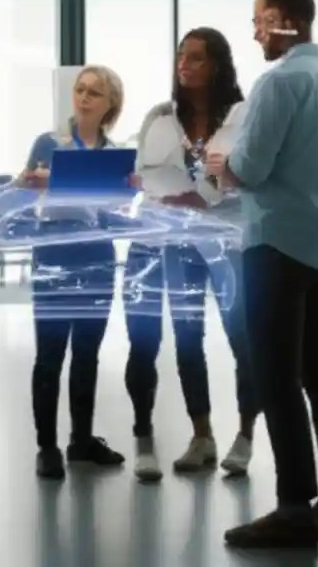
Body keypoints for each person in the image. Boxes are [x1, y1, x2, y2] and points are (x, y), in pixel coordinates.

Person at [206, 0, 318, 549]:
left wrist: (219, 160)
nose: (254, 33)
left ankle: (294, 505)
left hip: (275, 246)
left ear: (280, 19)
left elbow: (247, 169)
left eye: (258, 21)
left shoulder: (276, 85)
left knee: (277, 377)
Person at [125, 27, 258, 483]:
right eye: (182, 56)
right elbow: (143, 169)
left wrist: (203, 195)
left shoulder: (242, 115)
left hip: (228, 239)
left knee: (242, 337)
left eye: (196, 58)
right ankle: (202, 435)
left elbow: (246, 171)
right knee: (187, 337)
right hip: (177, 238)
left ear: (217, 66)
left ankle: (245, 434)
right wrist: (145, 186)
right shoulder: (161, 117)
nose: (185, 64)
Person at [26, 65, 129, 479]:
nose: (83, 98)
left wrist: (129, 190)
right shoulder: (48, 144)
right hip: (54, 254)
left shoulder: (115, 153)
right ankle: (47, 446)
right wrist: (33, 182)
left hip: (97, 257)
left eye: (94, 93)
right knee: (50, 355)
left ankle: (81, 440)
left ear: (110, 106)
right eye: (80, 90)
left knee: (87, 353)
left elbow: (114, 211)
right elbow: (26, 191)